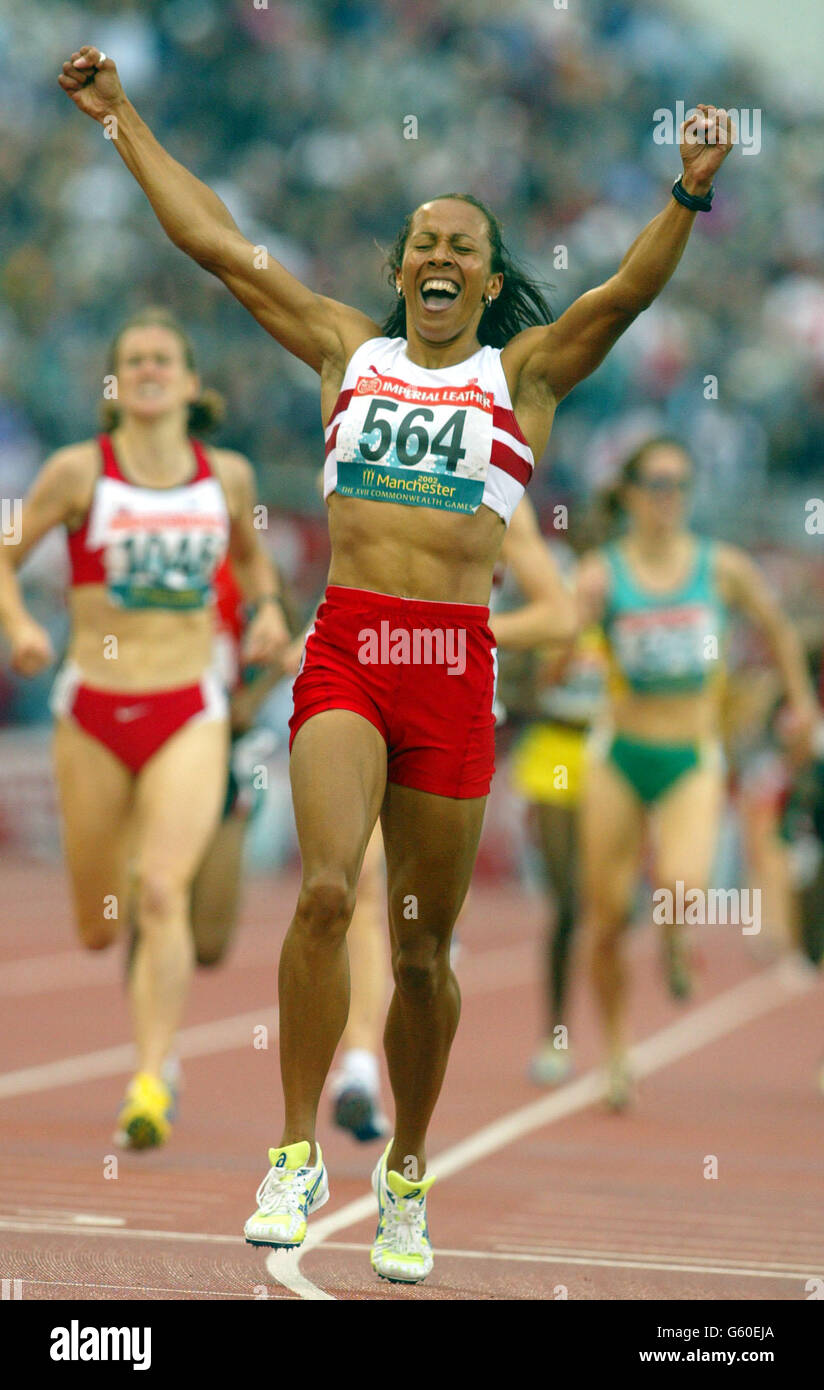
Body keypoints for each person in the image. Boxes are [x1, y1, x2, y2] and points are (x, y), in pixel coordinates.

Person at [58, 43, 736, 1283]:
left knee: (420, 950)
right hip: (350, 652)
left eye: (459, 247)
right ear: (395, 269)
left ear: (486, 281)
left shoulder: (518, 377)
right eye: (418, 242)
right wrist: (122, 118)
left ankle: (406, 1171)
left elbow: (623, 300)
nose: (435, 258)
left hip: (454, 668)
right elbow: (213, 242)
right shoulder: (340, 353)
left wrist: (685, 193)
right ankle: (291, 1152)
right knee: (326, 893)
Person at [0, 306, 288, 1147]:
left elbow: (251, 562)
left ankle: (150, 1078)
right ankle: (140, 1011)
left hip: (188, 707)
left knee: (162, 891)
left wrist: (267, 611)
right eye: (135, 357)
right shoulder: (77, 471)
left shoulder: (227, 476)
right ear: (116, 382)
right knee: (100, 923)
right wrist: (19, 628)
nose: (151, 368)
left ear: (193, 383)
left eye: (166, 357)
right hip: (92, 705)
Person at [576, 438, 818, 1110]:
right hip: (620, 752)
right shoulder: (602, 572)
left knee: (683, 888)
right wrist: (565, 649)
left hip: (690, 755)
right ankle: (617, 1054)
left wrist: (799, 704)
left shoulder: (722, 567)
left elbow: (778, 628)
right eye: (656, 483)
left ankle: (678, 944)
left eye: (680, 483)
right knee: (606, 917)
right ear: (628, 495)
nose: (669, 497)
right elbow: (564, 642)